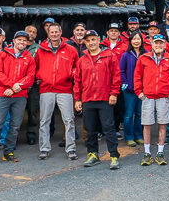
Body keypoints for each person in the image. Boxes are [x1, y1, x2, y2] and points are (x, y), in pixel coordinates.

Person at [0, 31, 35, 165]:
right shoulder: (3, 54)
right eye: (19, 40)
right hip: (3, 94)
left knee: (15, 126)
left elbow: (30, 77)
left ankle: (8, 152)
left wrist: (17, 87)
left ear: (27, 42)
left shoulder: (29, 58)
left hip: (20, 96)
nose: (22, 42)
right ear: (14, 40)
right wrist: (11, 86)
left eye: (24, 41)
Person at [74, 30, 122, 170]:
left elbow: (116, 76)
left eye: (93, 40)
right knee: (90, 129)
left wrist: (114, 93)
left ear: (98, 40)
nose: (91, 43)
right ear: (85, 43)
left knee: (108, 128)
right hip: (88, 99)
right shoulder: (82, 60)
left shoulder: (109, 56)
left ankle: (113, 155)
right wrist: (77, 99)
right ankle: (93, 154)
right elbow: (77, 81)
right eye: (88, 41)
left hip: (104, 98)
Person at [33, 21, 79, 160]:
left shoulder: (70, 50)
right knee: (44, 121)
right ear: (48, 33)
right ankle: (44, 148)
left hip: (65, 89)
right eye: (51, 32)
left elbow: (77, 67)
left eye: (56, 32)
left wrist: (71, 74)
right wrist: (39, 77)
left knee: (69, 120)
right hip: (46, 89)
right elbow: (35, 67)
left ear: (61, 33)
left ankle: (71, 148)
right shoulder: (41, 50)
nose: (54, 34)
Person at [134, 35, 169, 165]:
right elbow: (137, 76)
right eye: (156, 43)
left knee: (162, 124)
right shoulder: (144, 58)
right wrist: (139, 92)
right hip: (147, 96)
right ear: (151, 44)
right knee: (147, 125)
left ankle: (160, 152)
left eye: (161, 43)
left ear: (165, 45)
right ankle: (147, 153)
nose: (158, 45)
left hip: (163, 96)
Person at [119, 32, 146, 146]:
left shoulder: (146, 54)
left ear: (141, 41)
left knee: (140, 114)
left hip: (142, 90)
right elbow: (121, 71)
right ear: (130, 41)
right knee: (129, 114)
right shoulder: (126, 55)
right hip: (129, 90)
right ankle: (129, 137)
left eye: (138, 39)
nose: (136, 41)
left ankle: (138, 136)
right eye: (134, 39)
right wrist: (124, 82)